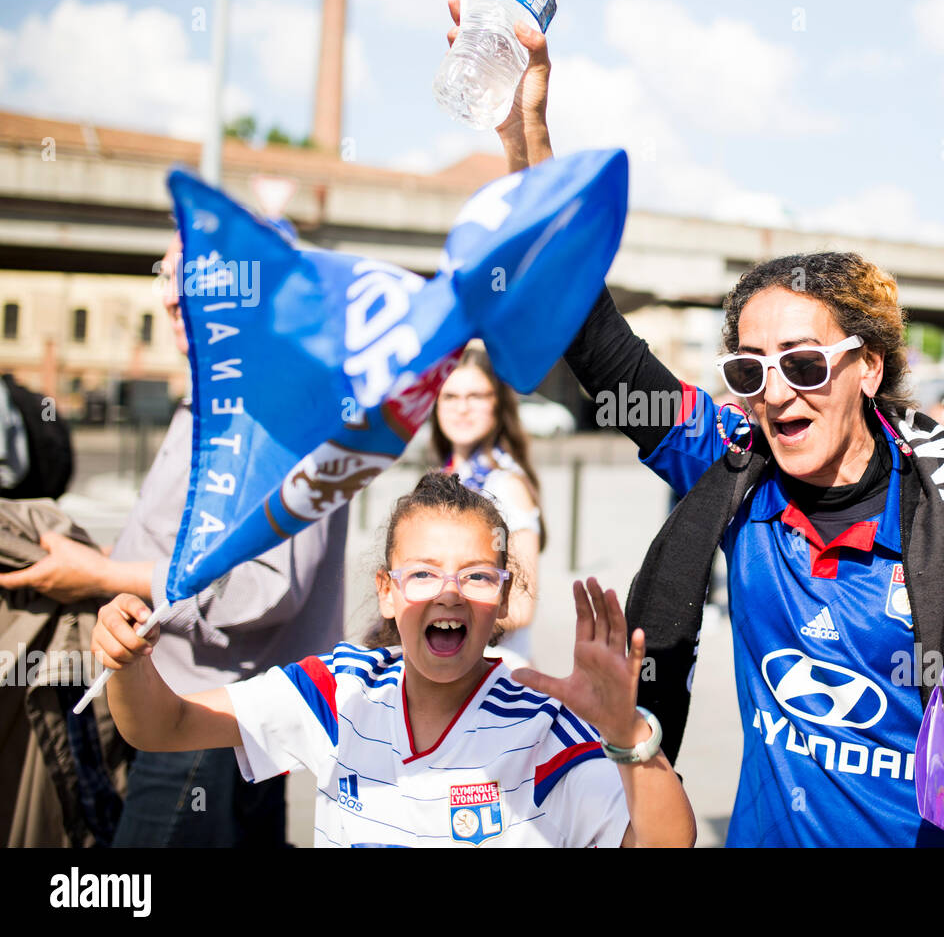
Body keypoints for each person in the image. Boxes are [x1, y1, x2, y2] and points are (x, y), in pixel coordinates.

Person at [444, 0, 944, 848]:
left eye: (804, 364)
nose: (777, 394)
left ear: (868, 368)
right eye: (750, 370)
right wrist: (526, 136)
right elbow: (594, 336)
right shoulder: (734, 468)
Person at [91, 472, 695, 847]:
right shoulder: (339, 690)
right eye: (423, 573)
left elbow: (668, 844)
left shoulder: (543, 726)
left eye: (476, 575)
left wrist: (627, 735)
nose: (449, 593)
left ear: (504, 596)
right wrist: (127, 661)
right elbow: (163, 725)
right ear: (386, 590)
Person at [0, 235, 349, 846]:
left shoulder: (275, 409)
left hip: (203, 718)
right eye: (165, 275)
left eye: (193, 279)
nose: (169, 297)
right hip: (193, 708)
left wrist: (100, 577)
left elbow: (263, 589)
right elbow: (188, 546)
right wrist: (103, 562)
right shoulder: (225, 394)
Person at [432, 342, 544, 666]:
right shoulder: (442, 477)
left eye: (476, 396)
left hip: (496, 671)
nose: (462, 408)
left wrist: (430, 623)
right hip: (448, 666)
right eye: (450, 397)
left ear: (498, 403)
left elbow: (520, 607)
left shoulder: (505, 485)